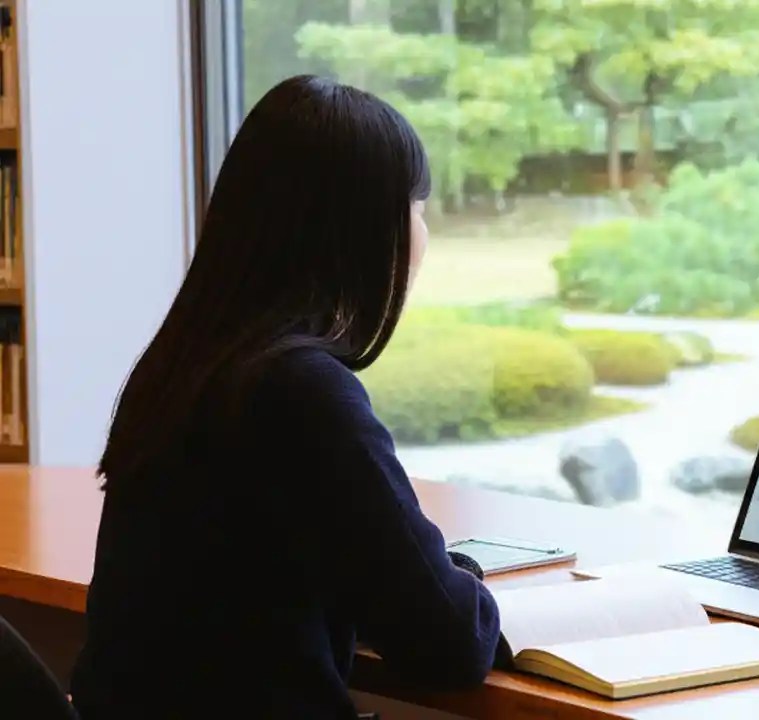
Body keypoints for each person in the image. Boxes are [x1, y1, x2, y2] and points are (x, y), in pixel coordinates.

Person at [69, 76, 502, 719]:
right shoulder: (303, 392)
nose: (421, 233)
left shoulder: (183, 366)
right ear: (359, 227)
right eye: (414, 207)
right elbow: (448, 641)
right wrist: (469, 585)